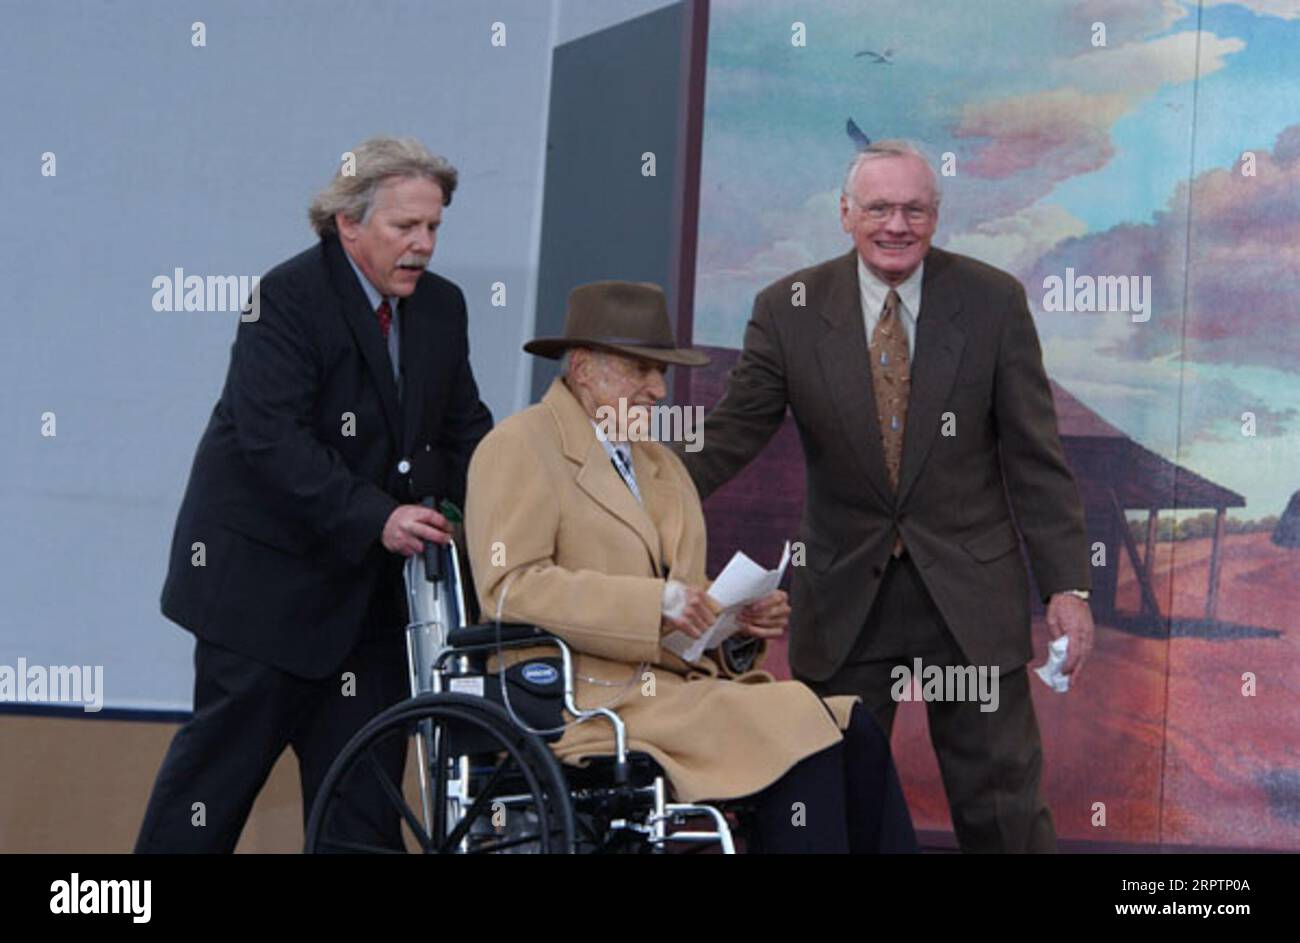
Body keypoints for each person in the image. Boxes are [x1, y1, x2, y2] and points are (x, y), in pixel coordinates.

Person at [680, 140, 1095, 852]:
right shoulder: (789, 309)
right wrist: (626, 500)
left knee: (1005, 810)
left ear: (937, 216)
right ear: (846, 214)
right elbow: (727, 438)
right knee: (835, 804)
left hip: (969, 599)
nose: (896, 224)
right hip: (845, 601)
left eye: (914, 209)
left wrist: (1067, 585)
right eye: (878, 208)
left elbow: (1036, 458)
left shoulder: (994, 301)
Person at [465, 280, 917, 853]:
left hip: (674, 691)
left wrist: (736, 622)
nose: (658, 390)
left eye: (662, 373)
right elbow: (510, 589)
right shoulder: (521, 447)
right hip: (582, 698)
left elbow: (688, 602)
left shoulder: (662, 466)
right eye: (641, 370)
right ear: (583, 368)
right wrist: (655, 604)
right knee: (802, 732)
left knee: (854, 729)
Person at [136, 137, 493, 852]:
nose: (423, 245)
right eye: (406, 227)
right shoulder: (286, 299)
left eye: (434, 228)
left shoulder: (442, 308)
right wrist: (379, 515)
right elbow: (272, 440)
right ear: (348, 223)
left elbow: (466, 432)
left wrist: (508, 502)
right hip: (262, 600)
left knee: (362, 816)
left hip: (371, 611)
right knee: (208, 799)